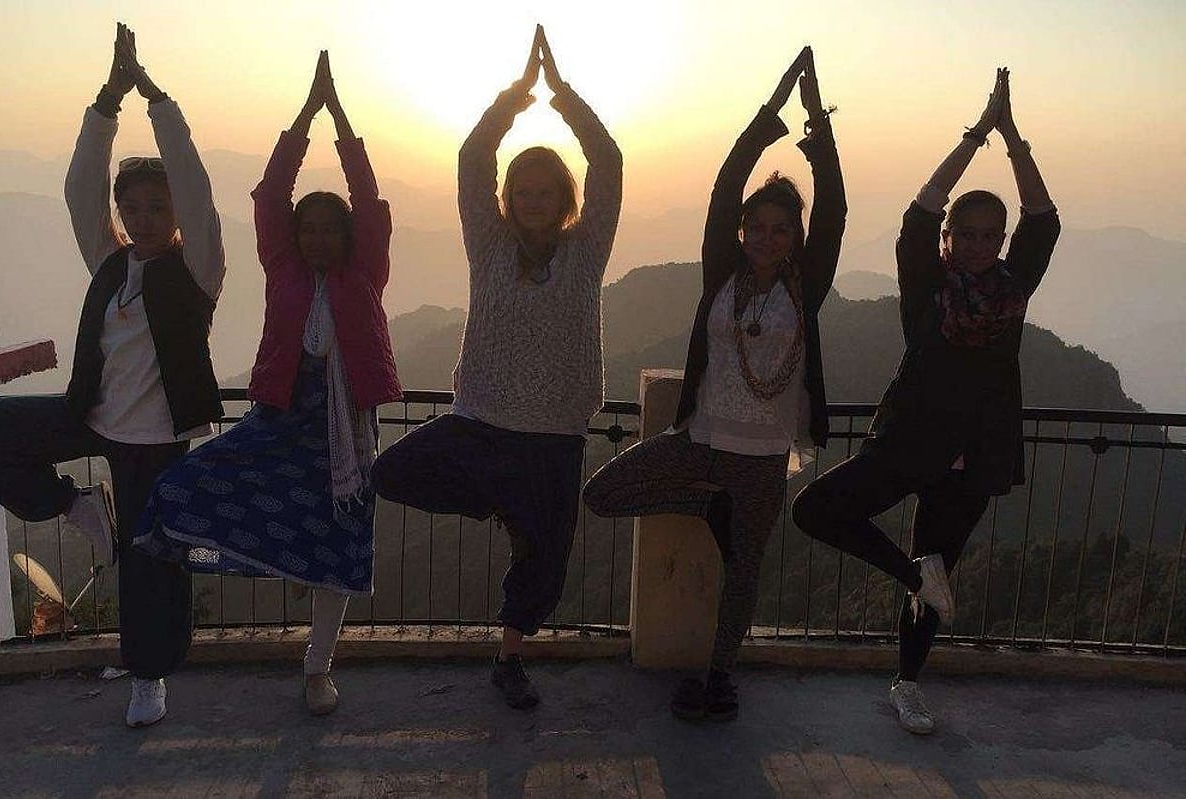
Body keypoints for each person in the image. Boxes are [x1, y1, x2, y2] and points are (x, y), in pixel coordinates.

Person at [791, 68, 1059, 735]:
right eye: (963, 232)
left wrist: (1015, 137)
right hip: (909, 441)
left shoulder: (1012, 289)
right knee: (818, 509)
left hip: (976, 455)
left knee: (942, 563)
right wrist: (976, 134)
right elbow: (921, 207)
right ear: (948, 239)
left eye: (986, 234)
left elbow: (1044, 219)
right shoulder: (925, 287)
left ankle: (908, 683)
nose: (973, 243)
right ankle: (909, 571)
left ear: (1000, 240)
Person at [583, 46, 846, 722]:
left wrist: (817, 122)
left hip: (763, 457)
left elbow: (837, 209)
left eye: (778, 228)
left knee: (745, 572)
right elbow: (726, 184)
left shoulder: (804, 288)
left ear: (794, 236)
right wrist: (771, 109)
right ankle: (705, 506)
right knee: (603, 493)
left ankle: (719, 677)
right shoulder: (719, 274)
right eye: (755, 226)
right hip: (699, 438)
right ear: (741, 231)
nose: (763, 235)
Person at [134, 51, 399, 716]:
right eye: (305, 229)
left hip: (345, 431)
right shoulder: (280, 265)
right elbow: (269, 194)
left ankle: (318, 669)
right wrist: (302, 115)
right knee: (186, 483)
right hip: (283, 418)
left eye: (327, 229)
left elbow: (367, 197)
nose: (314, 238)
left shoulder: (366, 271)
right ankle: (165, 625)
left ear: (346, 235)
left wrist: (339, 117)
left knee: (338, 543)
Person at [371, 25, 622, 710]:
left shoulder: (587, 250)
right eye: (523, 189)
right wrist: (514, 99)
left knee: (542, 562)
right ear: (508, 198)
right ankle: (493, 500)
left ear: (564, 198)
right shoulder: (487, 243)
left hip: (553, 437)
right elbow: (473, 156)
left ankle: (510, 659)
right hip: (480, 421)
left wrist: (563, 97)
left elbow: (607, 158)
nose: (534, 199)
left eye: (547, 189)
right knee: (390, 472)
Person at [0, 23, 226, 727]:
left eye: (159, 208)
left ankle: (148, 676)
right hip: (87, 412)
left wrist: (157, 100)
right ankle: (73, 503)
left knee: (152, 559)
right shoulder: (112, 265)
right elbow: (76, 190)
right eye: (133, 208)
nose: (144, 218)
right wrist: (106, 102)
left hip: (153, 438)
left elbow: (200, 189)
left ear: (177, 214)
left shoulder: (196, 273)